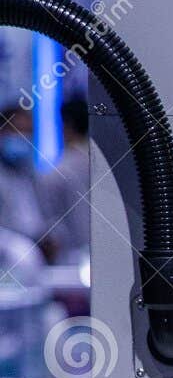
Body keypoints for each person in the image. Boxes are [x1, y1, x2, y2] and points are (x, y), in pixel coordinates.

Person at [37, 94, 91, 265]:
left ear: (65, 125)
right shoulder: (109, 169)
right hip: (107, 256)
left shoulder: (55, 173)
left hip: (70, 263)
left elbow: (51, 228)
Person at [0, 100, 45, 246]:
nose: (23, 138)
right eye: (17, 131)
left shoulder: (30, 174)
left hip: (35, 255)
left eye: (28, 133)